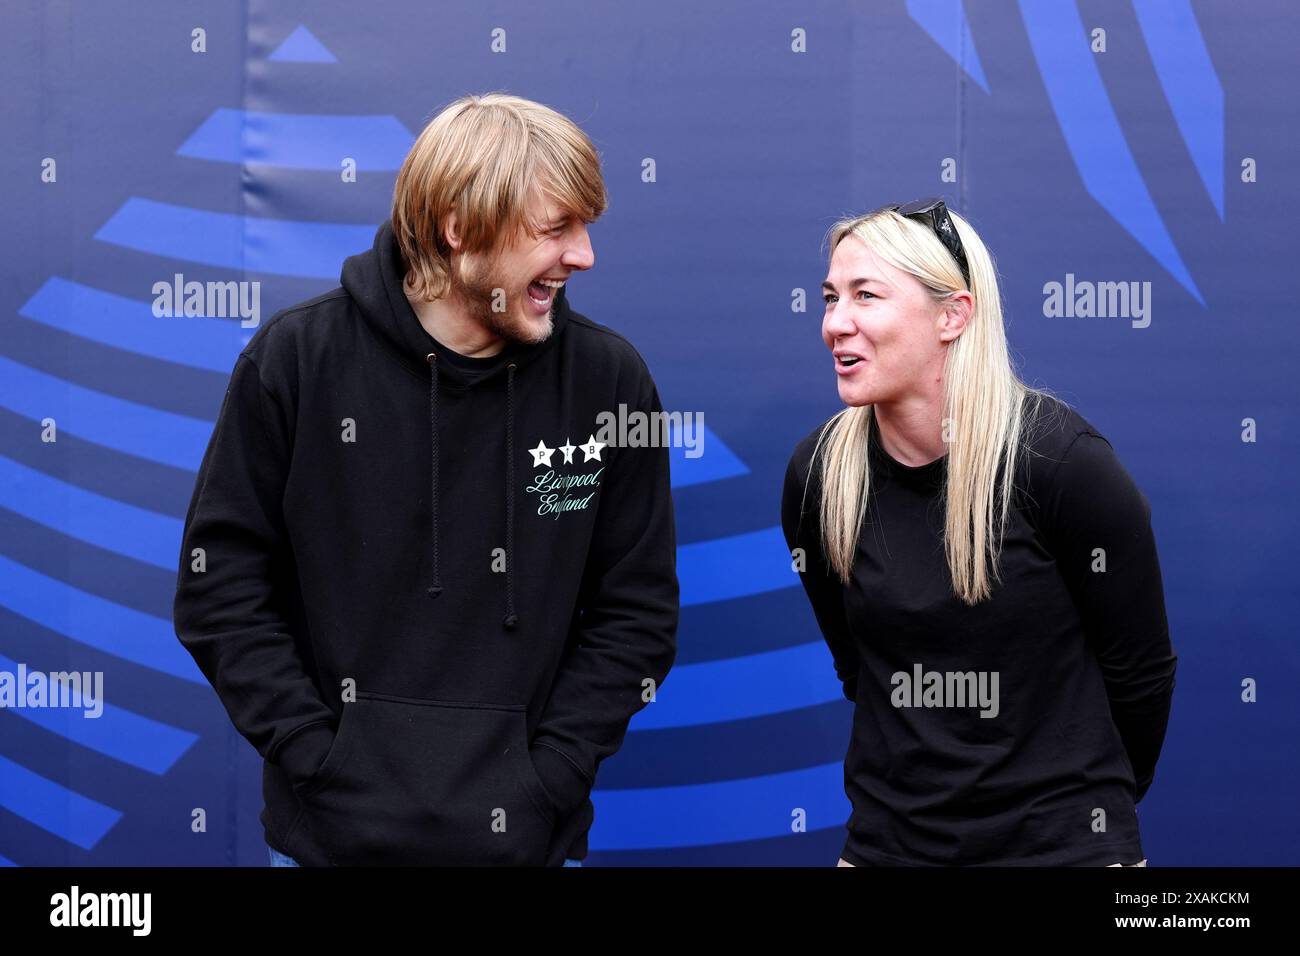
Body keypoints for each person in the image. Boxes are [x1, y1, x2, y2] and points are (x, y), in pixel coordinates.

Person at [173, 92, 680, 867]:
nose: (583, 256)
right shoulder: (297, 363)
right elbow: (221, 590)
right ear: (457, 227)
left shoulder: (607, 381)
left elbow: (635, 612)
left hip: (528, 843)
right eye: (555, 228)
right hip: (330, 843)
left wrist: (547, 778)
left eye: (585, 228)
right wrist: (319, 758)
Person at [781, 198, 1176, 867]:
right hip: (889, 848)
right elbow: (860, 670)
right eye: (829, 298)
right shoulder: (819, 473)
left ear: (953, 315)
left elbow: (1140, 672)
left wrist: (1080, 819)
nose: (834, 324)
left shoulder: (1061, 463)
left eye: (865, 296)